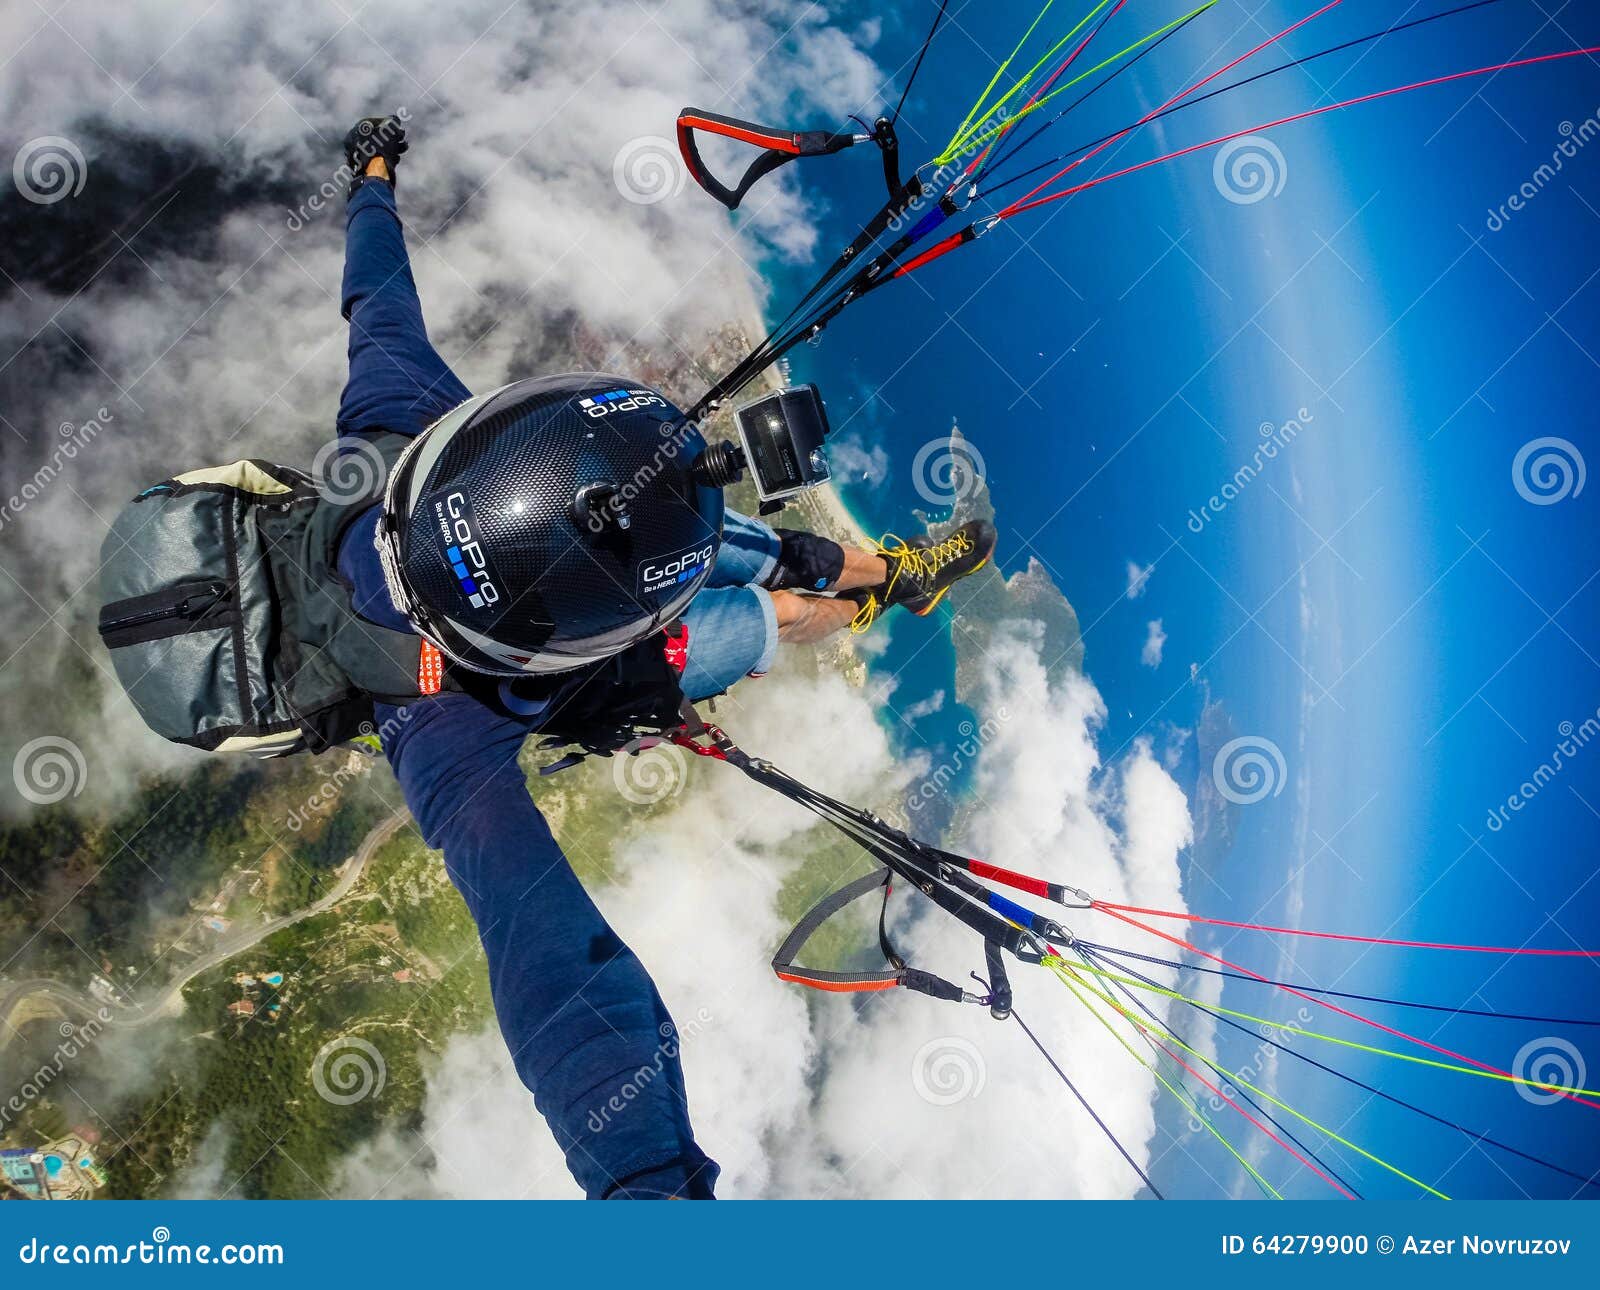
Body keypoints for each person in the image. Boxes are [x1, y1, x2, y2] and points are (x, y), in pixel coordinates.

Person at [330, 117, 995, 1198]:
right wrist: (647, 1187)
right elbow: (548, 972)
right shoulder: (434, 716)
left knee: (662, 531)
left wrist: (368, 181)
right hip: (544, 641)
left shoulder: (391, 424)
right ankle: (869, 593)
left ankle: (874, 575)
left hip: (546, 585)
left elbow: (551, 965)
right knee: (756, 613)